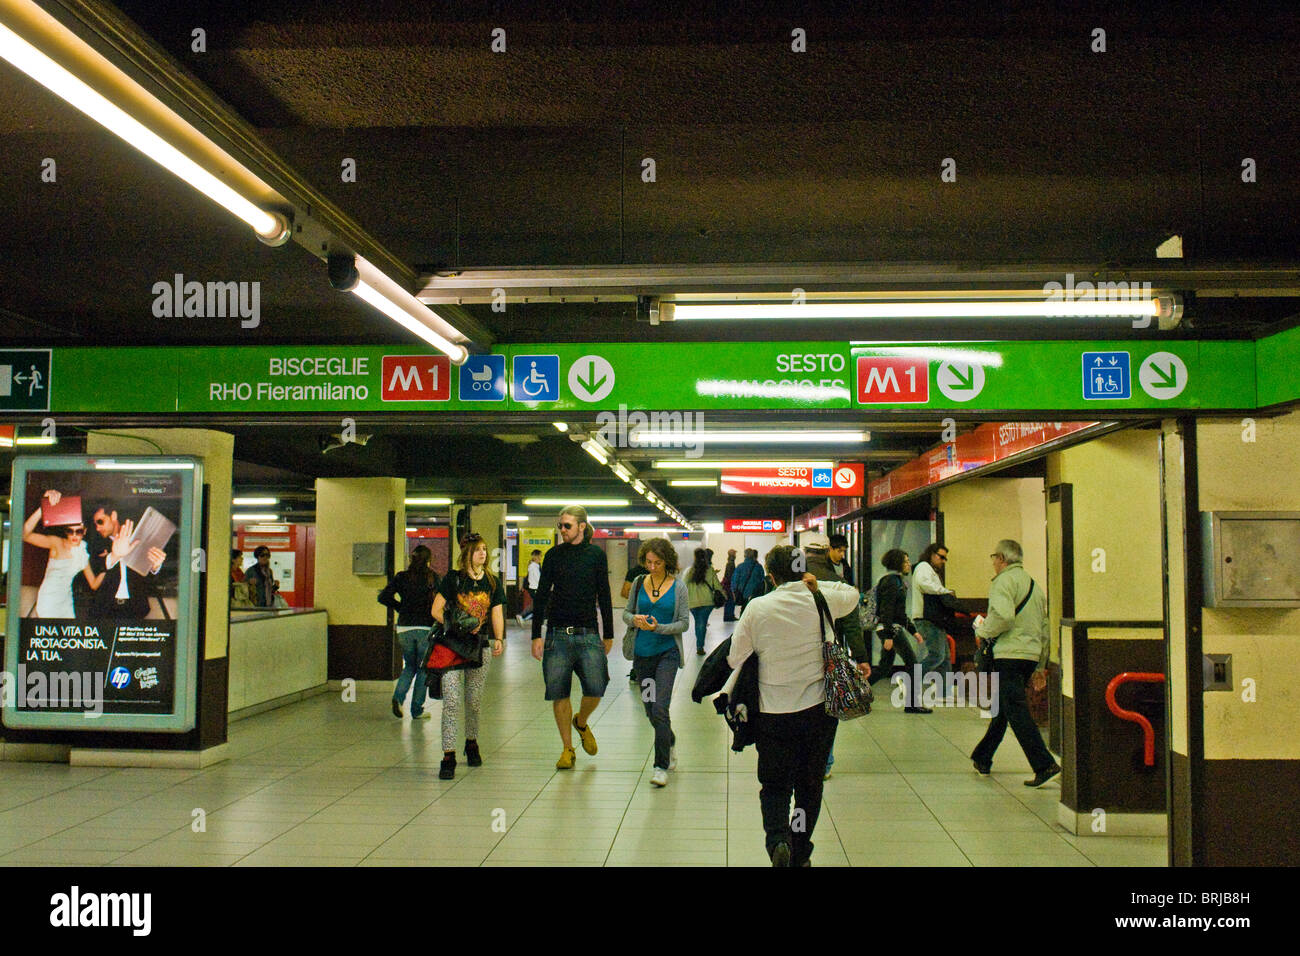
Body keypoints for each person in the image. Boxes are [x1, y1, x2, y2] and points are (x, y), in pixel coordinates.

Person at [727, 545, 869, 866]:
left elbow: (735, 657)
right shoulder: (822, 598)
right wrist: (818, 584)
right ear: (804, 570)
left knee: (775, 785)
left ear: (771, 575)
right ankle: (800, 845)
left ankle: (778, 839)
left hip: (773, 713)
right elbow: (852, 594)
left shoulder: (758, 607)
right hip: (817, 713)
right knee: (808, 786)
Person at [970, 540, 1060, 787]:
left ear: (1001, 558)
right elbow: (1044, 628)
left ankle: (1044, 765)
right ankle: (983, 757)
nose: (993, 563)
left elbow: (1003, 616)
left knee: (1017, 710)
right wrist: (1040, 664)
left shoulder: (1003, 582)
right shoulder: (1034, 585)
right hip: (1029, 655)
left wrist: (984, 632)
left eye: (993, 557)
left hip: (1009, 654)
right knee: (1004, 707)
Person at [530, 505, 614, 770]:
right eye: (560, 526)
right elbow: (542, 594)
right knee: (559, 692)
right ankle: (567, 748)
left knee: (597, 687)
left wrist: (608, 633)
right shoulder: (553, 556)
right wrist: (536, 635)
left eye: (567, 525)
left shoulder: (595, 556)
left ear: (581, 526)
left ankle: (581, 721)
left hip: (588, 632)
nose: (562, 530)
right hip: (557, 634)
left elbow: (605, 594)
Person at [432, 533, 506, 779]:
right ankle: (448, 754)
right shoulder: (452, 580)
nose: (483, 554)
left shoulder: (492, 582)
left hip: (478, 647)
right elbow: (436, 610)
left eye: (485, 549)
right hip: (451, 646)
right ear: (466, 554)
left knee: (473, 701)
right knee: (451, 702)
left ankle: (471, 742)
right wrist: (459, 625)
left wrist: (499, 638)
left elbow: (496, 612)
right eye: (477, 550)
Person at [622, 537, 690, 787]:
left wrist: (658, 627)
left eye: (658, 563)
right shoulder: (639, 583)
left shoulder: (679, 587)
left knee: (660, 707)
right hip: (643, 655)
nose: (652, 567)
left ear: (667, 562)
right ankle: (669, 739)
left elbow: (684, 623)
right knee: (651, 710)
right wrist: (635, 619)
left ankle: (660, 766)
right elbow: (626, 613)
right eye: (648, 562)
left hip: (667, 654)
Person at [802, 533, 868, 778]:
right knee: (828, 705)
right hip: (829, 651)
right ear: (826, 551)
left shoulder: (791, 580)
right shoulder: (836, 582)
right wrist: (861, 656)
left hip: (797, 653)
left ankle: (802, 759)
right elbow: (851, 623)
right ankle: (824, 763)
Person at [378, 545, 440, 721]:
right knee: (423, 669)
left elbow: (383, 597)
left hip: (404, 628)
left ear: (411, 559)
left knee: (409, 666)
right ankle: (417, 710)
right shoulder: (433, 578)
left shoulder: (401, 577)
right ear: (429, 560)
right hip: (426, 629)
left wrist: (401, 608)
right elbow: (443, 602)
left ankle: (398, 698)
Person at [86, 501, 168, 619]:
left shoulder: (138, 539)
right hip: (105, 610)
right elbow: (96, 569)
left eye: (100, 521)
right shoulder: (96, 544)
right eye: (95, 524)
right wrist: (115, 556)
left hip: (136, 608)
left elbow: (149, 579)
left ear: (113, 516)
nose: (98, 527)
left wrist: (155, 567)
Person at [875, 549, 931, 713]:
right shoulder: (892, 582)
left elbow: (899, 613)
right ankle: (912, 704)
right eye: (905, 561)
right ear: (897, 563)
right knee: (913, 664)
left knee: (884, 667)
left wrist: (913, 631)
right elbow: (887, 611)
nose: (908, 564)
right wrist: (888, 635)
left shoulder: (895, 581)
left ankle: (856, 694)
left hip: (890, 628)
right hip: (891, 630)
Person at [22, 490, 93, 618]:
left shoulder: (82, 551)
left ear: (85, 531)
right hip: (48, 601)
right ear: (65, 531)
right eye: (70, 531)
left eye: (79, 531)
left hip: (66, 601)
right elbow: (23, 535)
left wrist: (111, 560)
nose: (75, 535)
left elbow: (93, 583)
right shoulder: (56, 543)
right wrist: (43, 507)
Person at [909, 543, 955, 690]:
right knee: (937, 655)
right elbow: (925, 584)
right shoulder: (923, 567)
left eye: (945, 558)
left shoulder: (929, 570)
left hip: (933, 619)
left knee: (944, 657)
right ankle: (911, 682)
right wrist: (945, 591)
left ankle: (945, 691)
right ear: (932, 554)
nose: (943, 561)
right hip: (927, 619)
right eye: (941, 557)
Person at [685, 547, 721, 655]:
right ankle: (700, 646)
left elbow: (684, 586)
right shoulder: (710, 570)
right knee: (702, 622)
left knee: (698, 622)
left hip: (692, 602)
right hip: (707, 602)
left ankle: (699, 645)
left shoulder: (689, 571)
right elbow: (717, 586)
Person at [621, 552, 650, 681]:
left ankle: (637, 669)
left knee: (638, 640)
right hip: (656, 614)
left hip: (638, 614)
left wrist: (635, 601)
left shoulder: (633, 573)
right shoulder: (662, 573)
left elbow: (624, 592)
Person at [731, 548, 764, 616]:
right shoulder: (759, 567)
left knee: (744, 612)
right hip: (755, 594)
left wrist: (734, 591)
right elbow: (762, 580)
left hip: (742, 593)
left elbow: (735, 580)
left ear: (744, 556)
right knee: (754, 612)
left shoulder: (740, 567)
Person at [517, 549, 543, 626]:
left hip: (535, 588)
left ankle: (524, 617)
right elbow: (537, 579)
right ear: (535, 556)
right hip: (535, 588)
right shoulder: (533, 566)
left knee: (536, 605)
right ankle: (522, 616)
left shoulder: (536, 566)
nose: (540, 558)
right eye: (539, 556)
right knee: (536, 605)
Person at [721, 549, 738, 622]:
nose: (735, 555)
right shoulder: (731, 563)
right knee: (731, 600)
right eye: (734, 553)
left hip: (727, 584)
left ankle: (728, 616)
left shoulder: (729, 562)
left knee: (729, 600)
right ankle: (729, 616)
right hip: (729, 585)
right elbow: (731, 575)